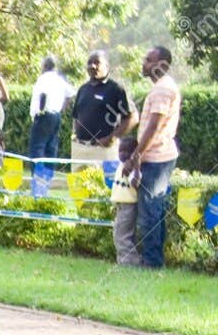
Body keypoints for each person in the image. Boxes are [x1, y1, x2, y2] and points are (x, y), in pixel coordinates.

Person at [121, 45, 182, 270]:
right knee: (154, 209)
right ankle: (154, 260)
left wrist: (136, 156)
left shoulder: (162, 89)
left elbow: (154, 126)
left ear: (162, 65)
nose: (144, 63)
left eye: (149, 60)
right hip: (156, 156)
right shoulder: (161, 87)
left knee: (150, 212)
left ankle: (152, 263)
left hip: (156, 158)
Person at [71, 50, 136, 166]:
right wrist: (76, 135)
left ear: (107, 66)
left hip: (103, 150)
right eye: (89, 63)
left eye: (97, 63)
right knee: (79, 183)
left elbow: (132, 118)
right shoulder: (83, 89)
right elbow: (76, 116)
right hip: (80, 148)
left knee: (105, 183)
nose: (92, 66)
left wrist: (112, 138)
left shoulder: (116, 88)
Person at [28, 56, 71, 161]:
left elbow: (43, 94)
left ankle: (39, 175)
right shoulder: (59, 79)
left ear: (45, 66)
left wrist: (41, 110)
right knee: (51, 147)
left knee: (38, 146)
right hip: (56, 115)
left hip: (44, 115)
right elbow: (70, 94)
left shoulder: (44, 78)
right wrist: (62, 109)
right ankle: (48, 174)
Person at [110, 135, 141, 267]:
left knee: (121, 236)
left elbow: (136, 183)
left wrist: (136, 167)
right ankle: (124, 260)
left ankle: (130, 263)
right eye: (120, 151)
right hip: (121, 205)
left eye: (127, 152)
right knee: (120, 233)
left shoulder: (131, 168)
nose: (123, 154)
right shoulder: (121, 165)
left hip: (128, 206)